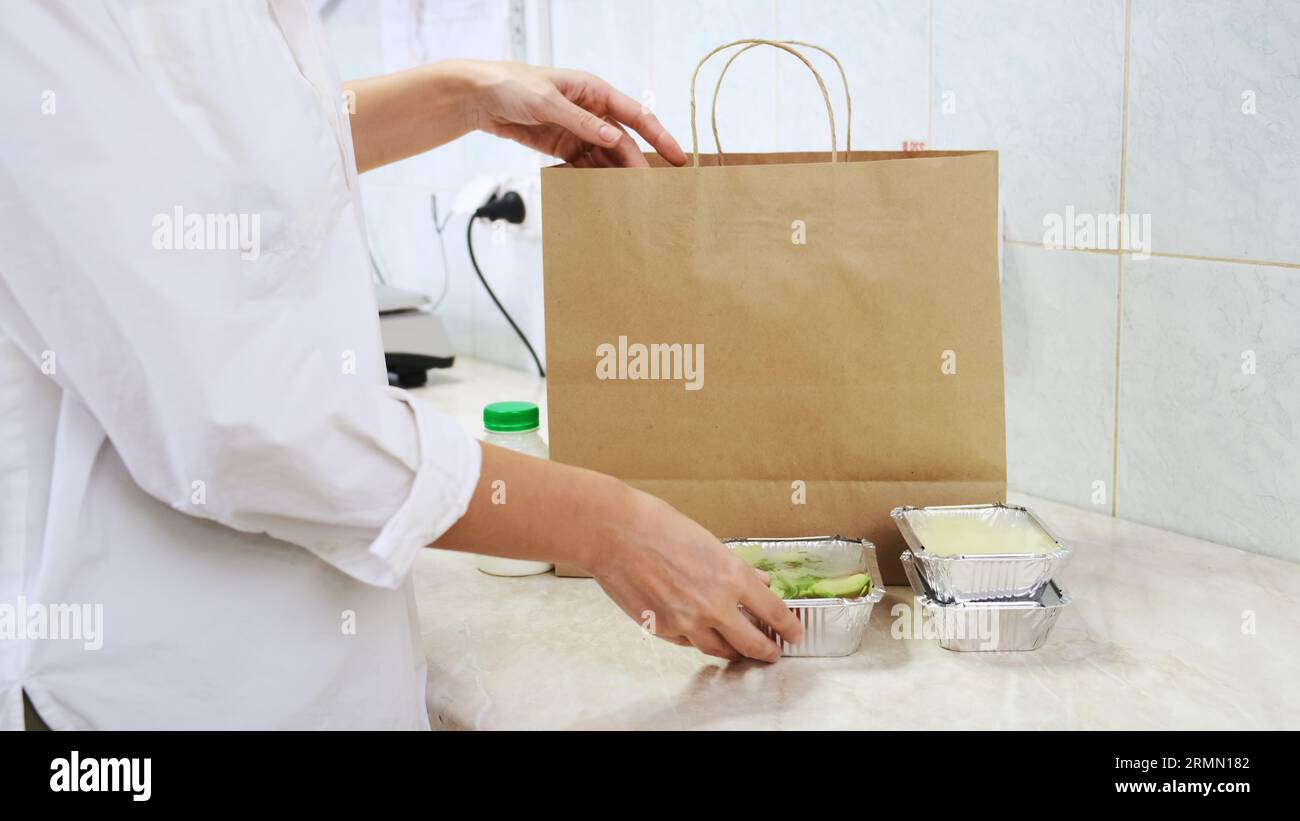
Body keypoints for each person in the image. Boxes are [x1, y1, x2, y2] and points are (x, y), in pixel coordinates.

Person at [0, 0, 801, 730]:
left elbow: (245, 153)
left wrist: (462, 95)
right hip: (146, 705)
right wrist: (609, 526)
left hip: (334, 676)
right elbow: (239, 417)